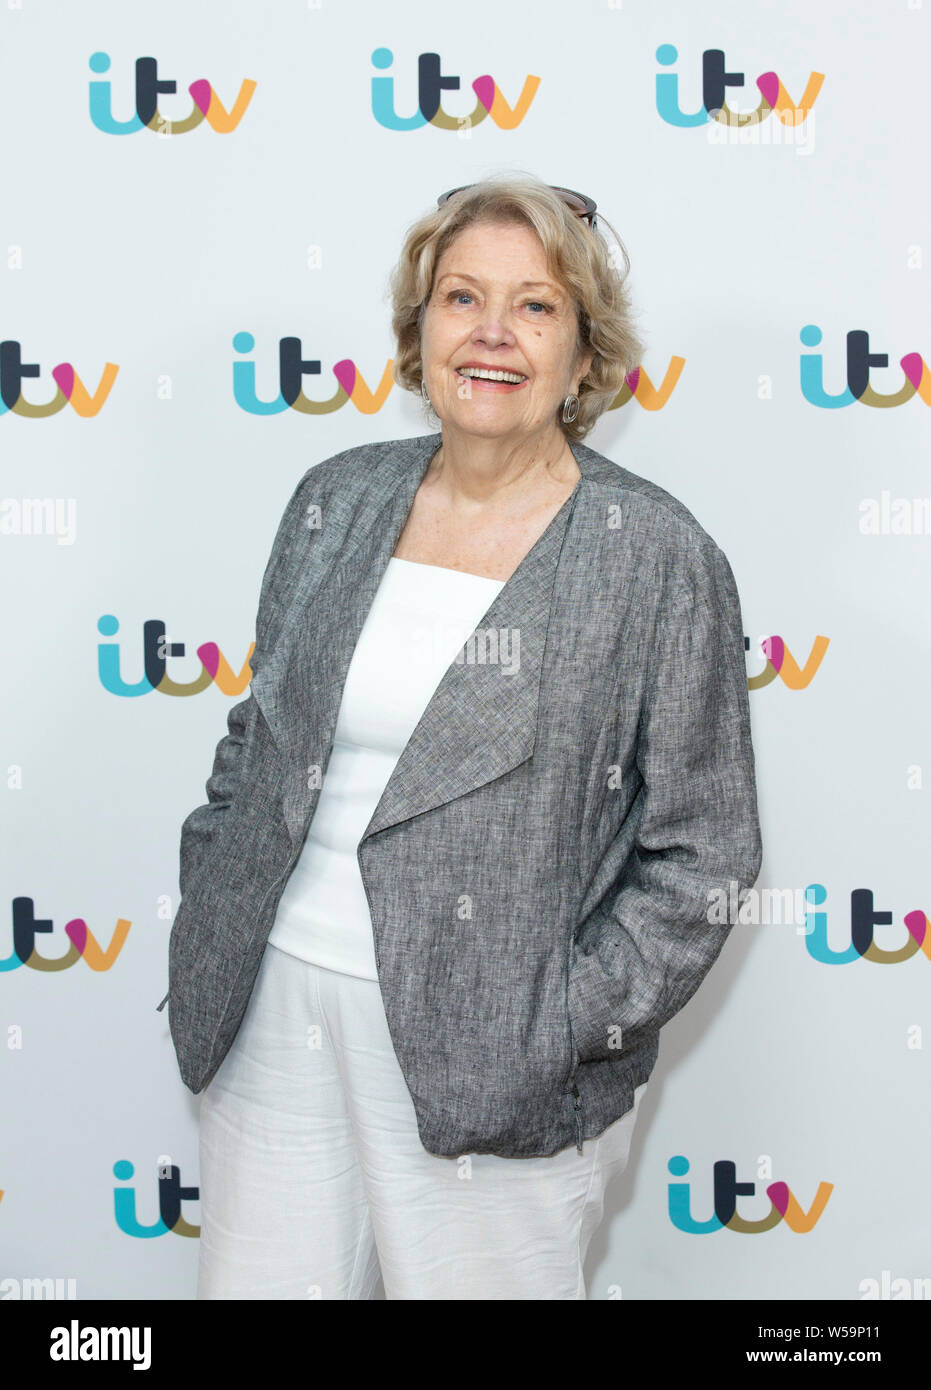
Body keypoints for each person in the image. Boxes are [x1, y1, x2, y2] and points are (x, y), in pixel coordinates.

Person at [163, 173, 763, 1300]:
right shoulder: (333, 499)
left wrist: (560, 1023)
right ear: (419, 327)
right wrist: (213, 899)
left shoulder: (656, 556)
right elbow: (257, 740)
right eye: (460, 299)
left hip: (496, 1064)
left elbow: (707, 853)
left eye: (534, 307)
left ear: (585, 354)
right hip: (269, 1021)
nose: (491, 334)